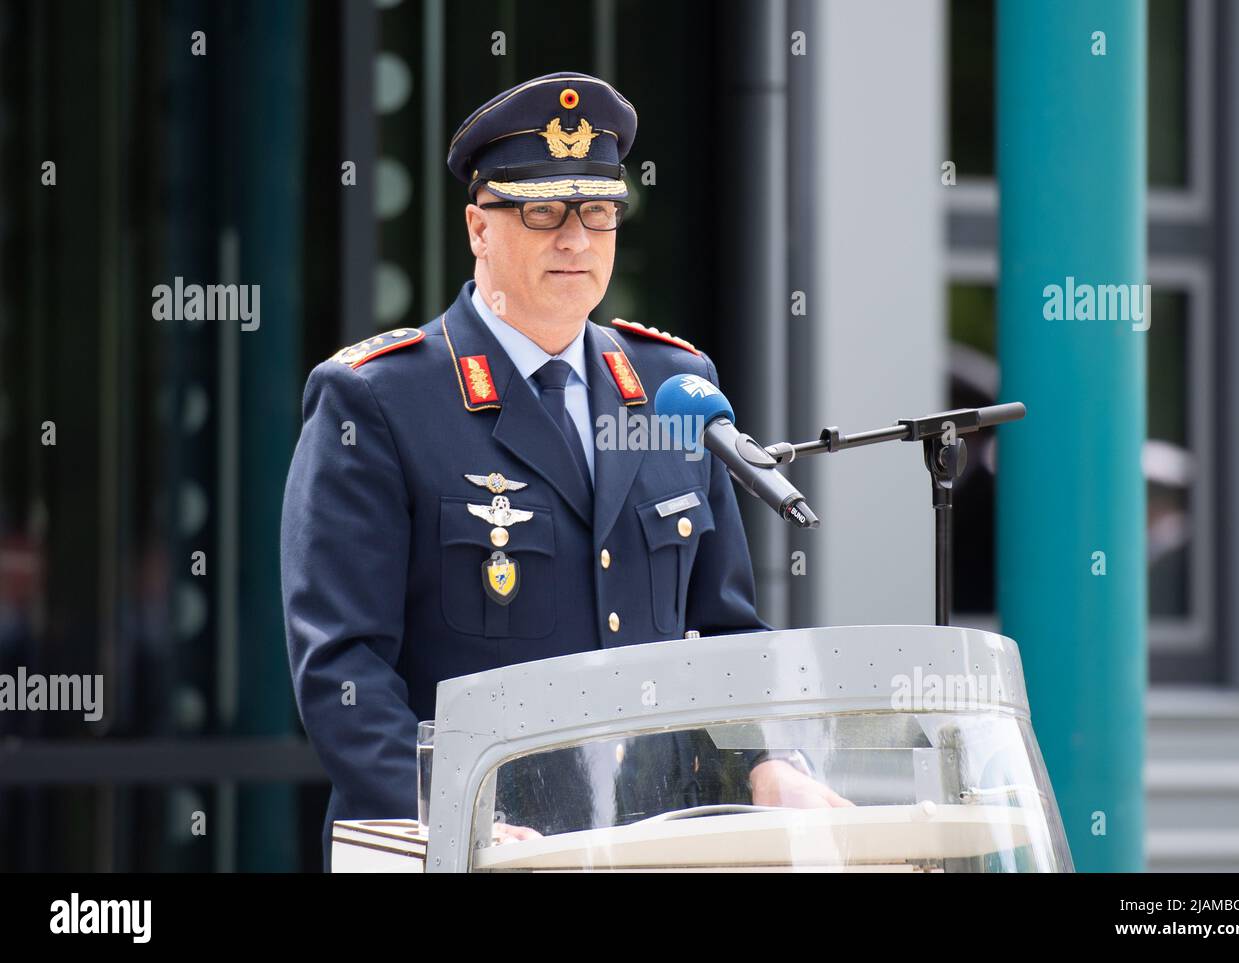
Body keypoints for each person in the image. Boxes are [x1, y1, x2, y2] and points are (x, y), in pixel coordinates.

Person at [281, 71, 847, 869]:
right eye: (542, 211)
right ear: (479, 227)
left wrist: (770, 761)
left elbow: (725, 632)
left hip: (648, 848)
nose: (576, 239)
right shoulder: (380, 399)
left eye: (599, 211)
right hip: (469, 853)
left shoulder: (672, 387)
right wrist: (456, 812)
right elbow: (343, 666)